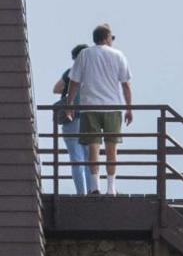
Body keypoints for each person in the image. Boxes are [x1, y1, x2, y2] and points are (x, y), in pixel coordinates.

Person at [67, 23, 133, 195]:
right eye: (111, 38)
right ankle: (111, 188)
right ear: (106, 37)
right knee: (112, 148)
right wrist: (129, 108)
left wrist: (70, 104)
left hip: (90, 107)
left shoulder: (84, 54)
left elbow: (74, 82)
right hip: (113, 107)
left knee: (93, 148)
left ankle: (95, 187)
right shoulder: (118, 55)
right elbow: (126, 85)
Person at [52, 43, 91, 195]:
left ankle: (81, 193)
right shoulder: (93, 74)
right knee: (90, 159)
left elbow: (56, 89)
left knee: (76, 159)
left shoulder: (70, 72)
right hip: (89, 118)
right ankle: (93, 190)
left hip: (72, 118)